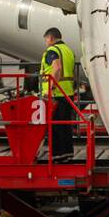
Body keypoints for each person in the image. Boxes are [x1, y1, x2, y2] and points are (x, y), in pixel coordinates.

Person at [39, 28, 77, 162]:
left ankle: (58, 156)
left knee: (56, 127)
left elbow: (57, 68)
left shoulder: (52, 51)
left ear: (50, 38)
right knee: (66, 126)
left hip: (56, 94)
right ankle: (67, 155)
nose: (46, 43)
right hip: (68, 93)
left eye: (46, 40)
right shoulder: (68, 51)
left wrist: (51, 88)